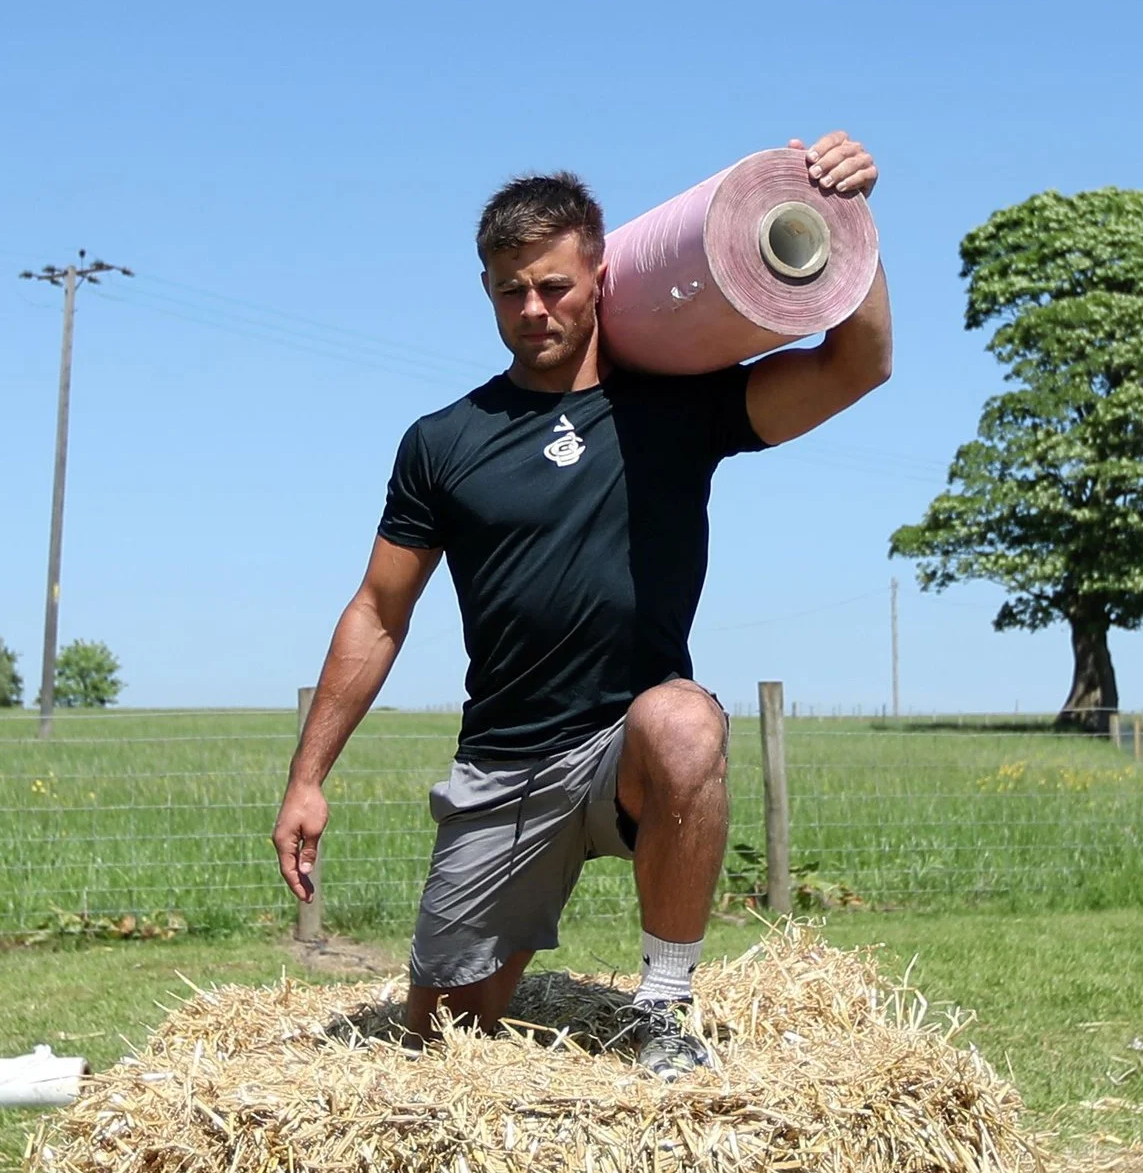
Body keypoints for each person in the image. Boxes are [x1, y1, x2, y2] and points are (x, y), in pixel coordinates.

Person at [270, 132, 891, 1077]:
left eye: (554, 285)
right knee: (439, 1042)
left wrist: (849, 217)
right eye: (510, 289)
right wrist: (309, 775)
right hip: (507, 764)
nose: (533, 308)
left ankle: (666, 1008)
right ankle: (481, 969)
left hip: (627, 753)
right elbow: (379, 612)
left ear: (600, 272)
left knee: (684, 719)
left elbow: (858, 364)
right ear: (486, 290)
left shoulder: (680, 404)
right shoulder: (444, 442)